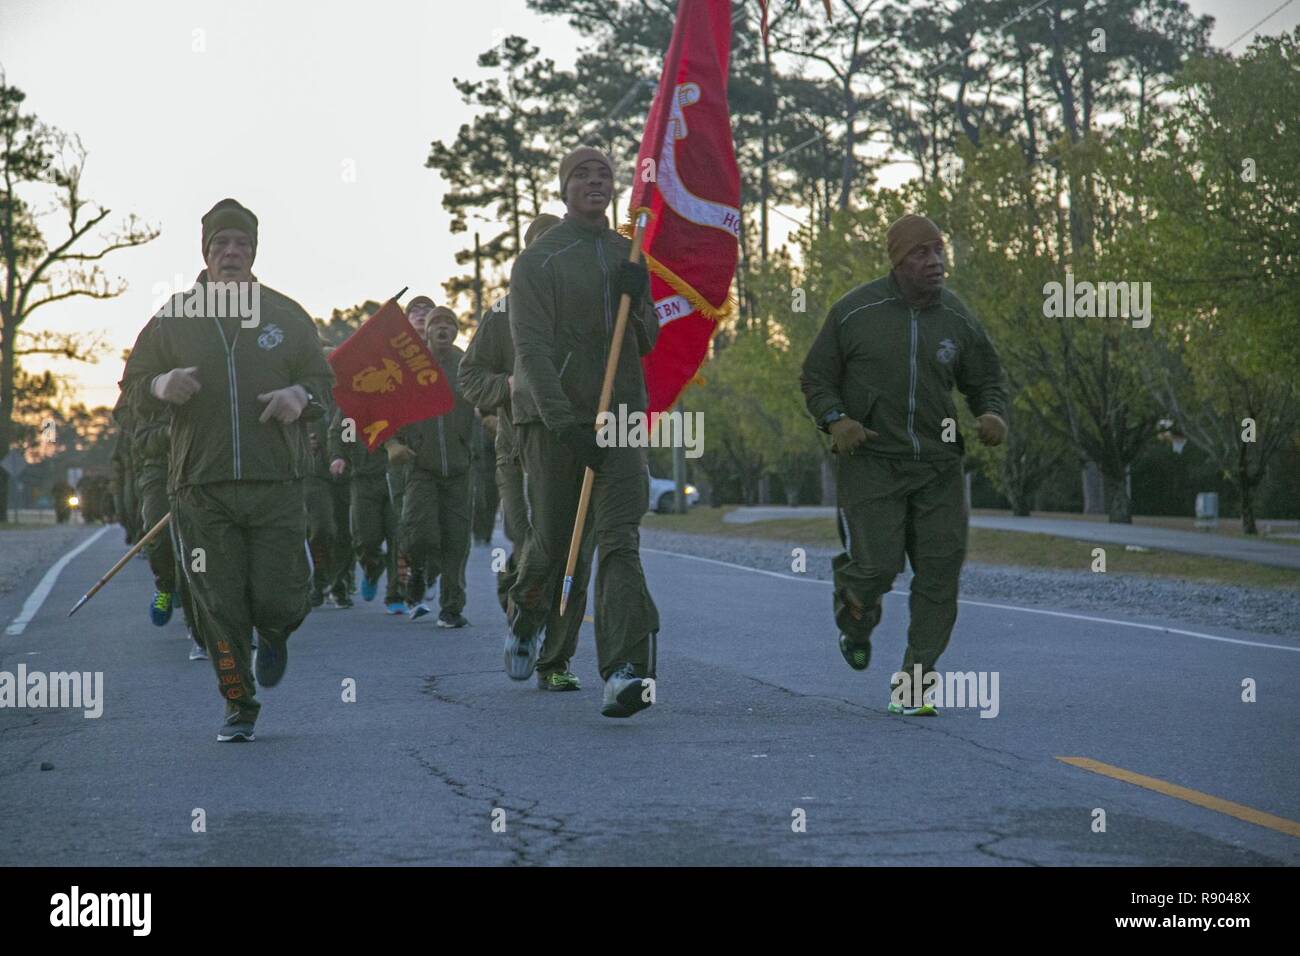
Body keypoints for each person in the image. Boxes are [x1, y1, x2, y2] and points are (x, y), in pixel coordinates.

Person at [120, 197, 334, 742]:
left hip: (276, 482)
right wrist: (159, 385)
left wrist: (299, 395)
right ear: (206, 254)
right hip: (200, 486)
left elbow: (324, 384)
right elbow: (131, 392)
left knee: (278, 596)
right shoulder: (174, 317)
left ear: (255, 252)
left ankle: (278, 629)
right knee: (219, 603)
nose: (232, 252)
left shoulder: (285, 314)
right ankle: (238, 701)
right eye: (222, 244)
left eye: (242, 244)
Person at [799, 213, 1008, 716]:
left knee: (940, 573)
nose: (934, 262)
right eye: (921, 253)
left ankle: (915, 680)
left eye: (939, 251)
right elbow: (815, 377)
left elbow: (987, 377)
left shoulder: (956, 318)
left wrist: (992, 413)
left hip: (938, 466)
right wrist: (836, 420)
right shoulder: (854, 311)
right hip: (872, 461)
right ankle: (854, 614)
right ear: (897, 260)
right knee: (876, 567)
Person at [506, 147, 661, 717]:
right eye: (582, 176)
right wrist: (565, 424)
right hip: (558, 427)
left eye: (604, 176)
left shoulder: (630, 253)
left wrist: (637, 298)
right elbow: (533, 351)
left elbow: (645, 340)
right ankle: (526, 615)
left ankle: (623, 670)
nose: (595, 183)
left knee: (618, 540)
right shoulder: (539, 261)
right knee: (550, 545)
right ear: (564, 188)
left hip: (620, 420)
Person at [460, 213, 589, 690]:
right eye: (543, 246)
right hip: (518, 449)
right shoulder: (505, 308)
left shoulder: (589, 302)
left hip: (579, 441)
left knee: (578, 549)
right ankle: (523, 608)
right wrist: (509, 385)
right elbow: (470, 375)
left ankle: (555, 660)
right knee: (536, 540)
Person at [392, 305, 474, 627]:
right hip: (420, 466)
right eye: (436, 323)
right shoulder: (410, 365)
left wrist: (490, 415)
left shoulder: (466, 364)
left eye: (449, 324)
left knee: (456, 541)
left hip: (459, 468)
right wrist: (393, 443)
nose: (442, 328)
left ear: (456, 331)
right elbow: (390, 405)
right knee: (420, 534)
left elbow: (483, 397)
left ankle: (452, 609)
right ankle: (420, 571)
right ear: (426, 330)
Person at [328, 404, 403, 611]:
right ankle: (372, 569)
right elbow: (340, 433)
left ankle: (395, 594)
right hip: (362, 479)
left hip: (396, 476)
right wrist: (338, 456)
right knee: (365, 540)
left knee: (398, 536)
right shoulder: (353, 400)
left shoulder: (399, 393)